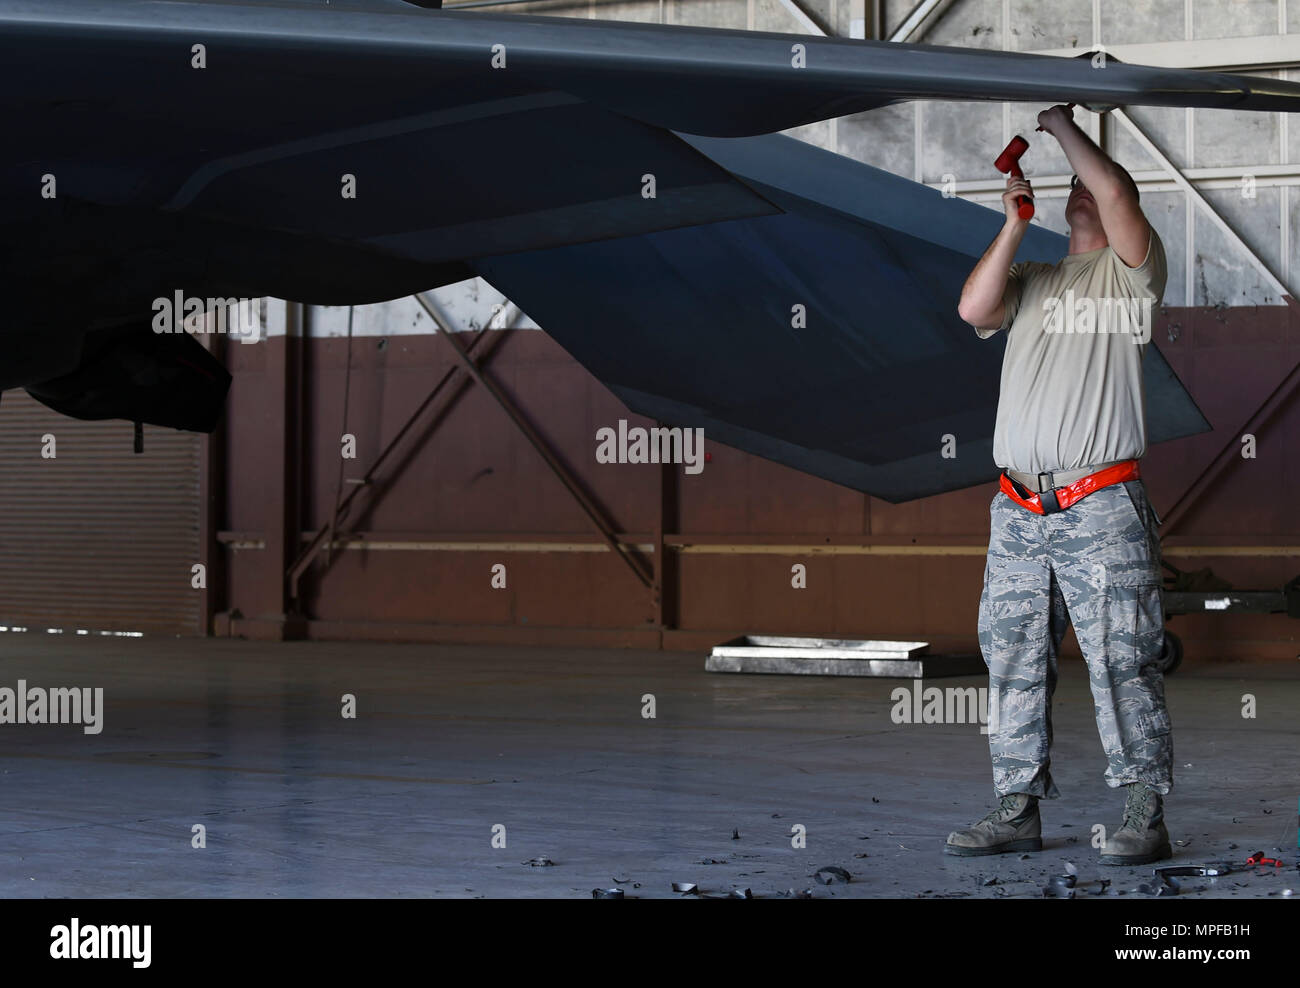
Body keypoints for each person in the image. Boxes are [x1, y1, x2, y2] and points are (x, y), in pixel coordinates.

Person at [946, 104, 1173, 866]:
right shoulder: (1035, 279)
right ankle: (1017, 808)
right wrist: (1012, 221)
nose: (1083, 189)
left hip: (1099, 503)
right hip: (1016, 507)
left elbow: (1111, 192)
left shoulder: (1132, 276)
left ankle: (1143, 810)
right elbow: (971, 306)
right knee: (1010, 656)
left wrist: (1060, 123)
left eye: (1092, 184)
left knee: (1122, 659)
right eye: (1073, 183)